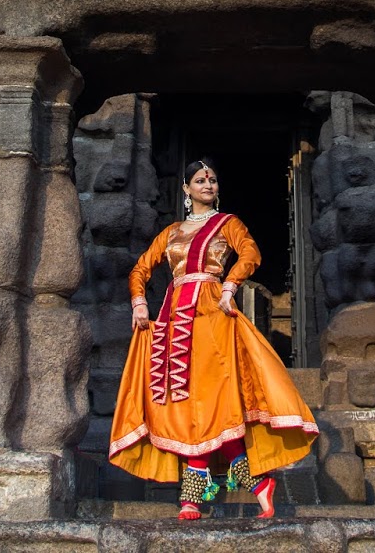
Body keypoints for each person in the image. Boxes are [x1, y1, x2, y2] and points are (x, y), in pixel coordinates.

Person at [107, 159, 318, 520]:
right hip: (175, 317)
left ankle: (204, 493)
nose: (208, 184)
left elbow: (251, 253)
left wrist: (231, 284)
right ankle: (241, 487)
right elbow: (141, 268)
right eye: (200, 180)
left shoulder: (227, 224)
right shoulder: (172, 232)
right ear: (186, 189)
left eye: (213, 180)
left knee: (215, 398)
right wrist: (140, 304)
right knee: (183, 399)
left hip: (210, 312)